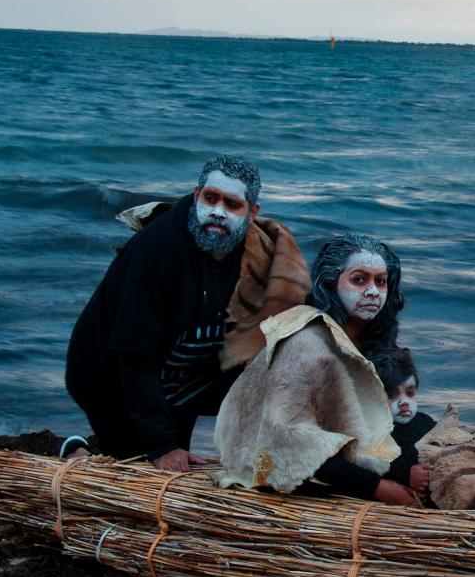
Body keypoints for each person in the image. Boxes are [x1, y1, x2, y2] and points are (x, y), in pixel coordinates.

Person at [64, 155, 309, 470]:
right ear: (196, 196)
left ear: (252, 213)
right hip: (111, 374)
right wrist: (163, 447)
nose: (217, 212)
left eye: (232, 205)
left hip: (187, 369)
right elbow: (134, 357)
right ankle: (76, 454)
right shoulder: (157, 252)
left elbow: (299, 313)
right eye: (210, 198)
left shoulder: (261, 251)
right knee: (141, 467)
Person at [213, 233, 421, 506]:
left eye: (380, 281)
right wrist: (378, 488)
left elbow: (365, 427)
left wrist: (406, 472)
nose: (372, 291)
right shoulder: (305, 344)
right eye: (359, 279)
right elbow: (289, 439)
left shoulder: (365, 338)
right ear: (330, 283)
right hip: (275, 470)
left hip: (338, 463)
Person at [370, 346, 436, 498]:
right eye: (392, 394)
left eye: (410, 393)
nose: (404, 402)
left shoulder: (425, 422)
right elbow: (370, 463)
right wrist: (405, 475)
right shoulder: (375, 431)